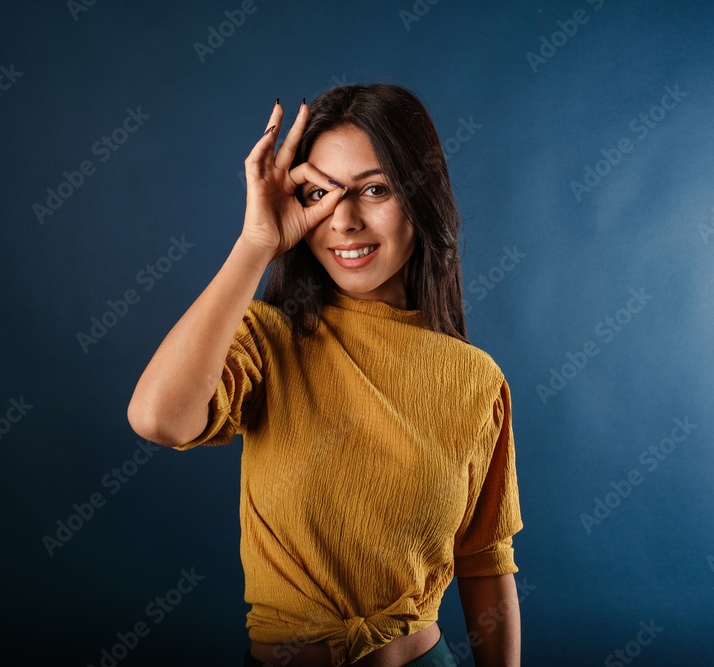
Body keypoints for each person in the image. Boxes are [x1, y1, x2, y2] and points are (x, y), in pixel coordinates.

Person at [127, 83, 523, 667]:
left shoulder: (475, 379)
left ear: (422, 197)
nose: (344, 220)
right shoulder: (267, 340)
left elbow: (486, 563)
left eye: (375, 189)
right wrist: (256, 244)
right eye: (318, 193)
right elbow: (158, 419)